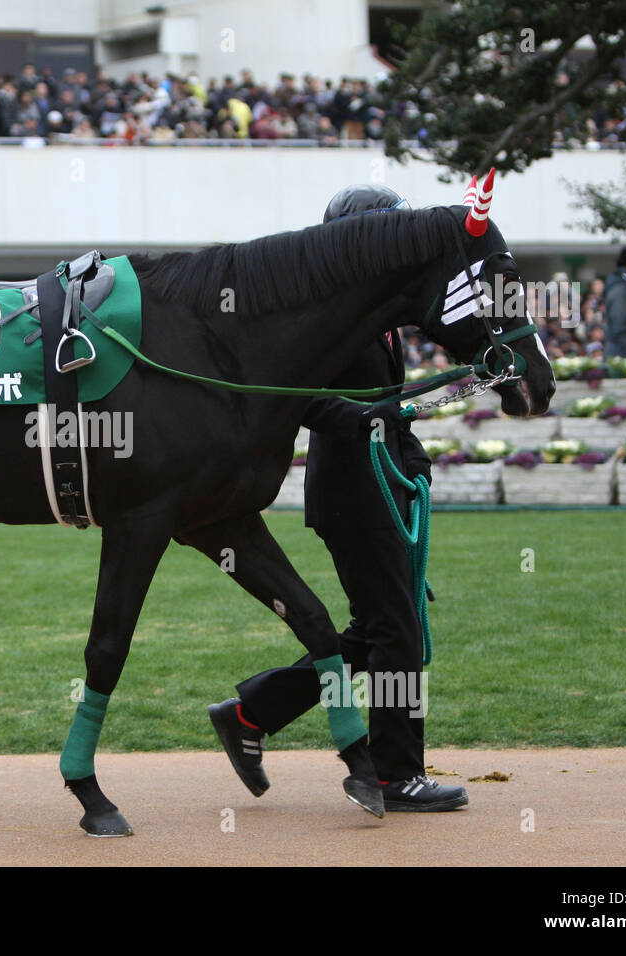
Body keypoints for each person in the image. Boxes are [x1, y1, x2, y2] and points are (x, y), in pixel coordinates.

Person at [208, 183, 469, 812]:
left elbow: (395, 406)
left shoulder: (377, 316)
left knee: (378, 627)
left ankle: (251, 712)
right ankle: (395, 774)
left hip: (382, 482)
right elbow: (291, 394)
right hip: (354, 490)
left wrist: (414, 456)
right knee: (396, 634)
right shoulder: (328, 313)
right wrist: (360, 419)